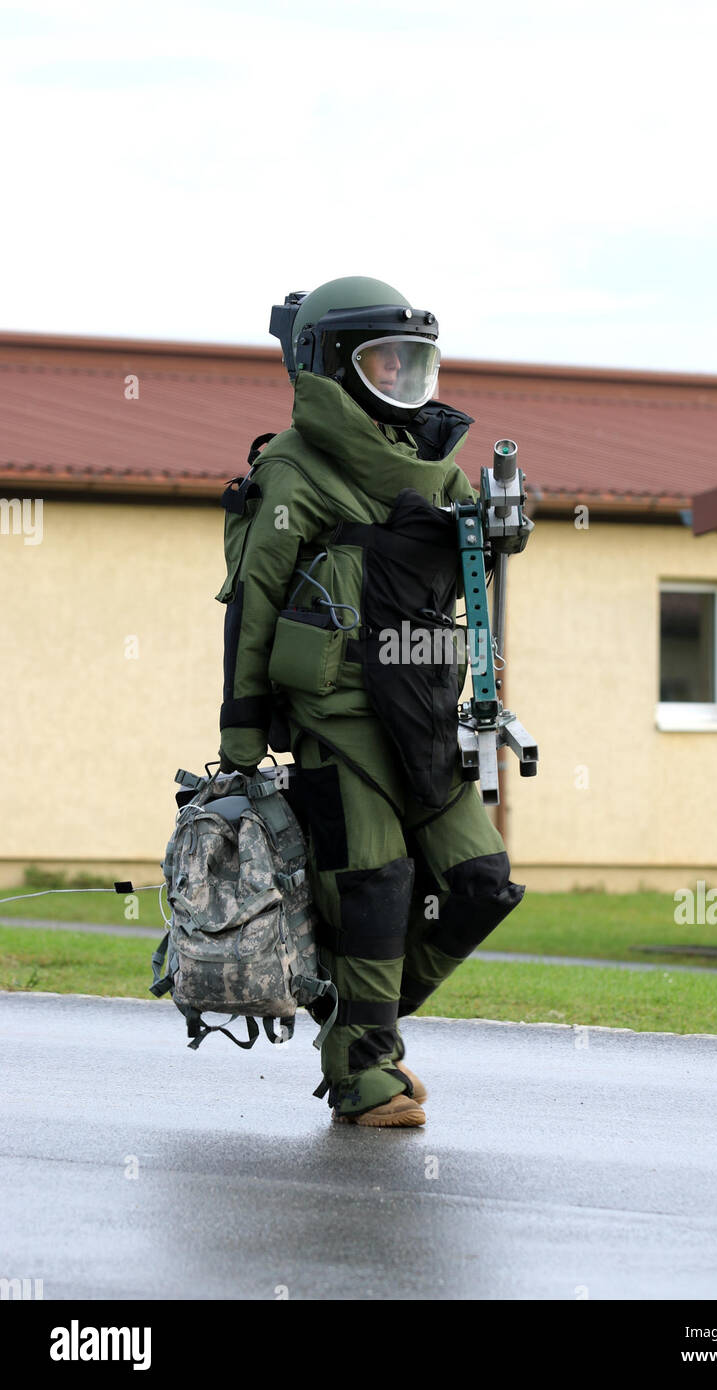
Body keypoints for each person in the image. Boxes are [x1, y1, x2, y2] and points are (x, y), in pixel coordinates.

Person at [217, 276, 527, 1127]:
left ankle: (355, 1018)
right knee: (378, 886)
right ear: (329, 364)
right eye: (381, 360)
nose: (399, 375)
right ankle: (362, 1067)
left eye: (411, 361)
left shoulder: (438, 468)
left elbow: (477, 544)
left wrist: (506, 524)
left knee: (479, 883)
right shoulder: (292, 467)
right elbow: (252, 604)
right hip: (341, 721)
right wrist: (241, 736)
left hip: (424, 710)